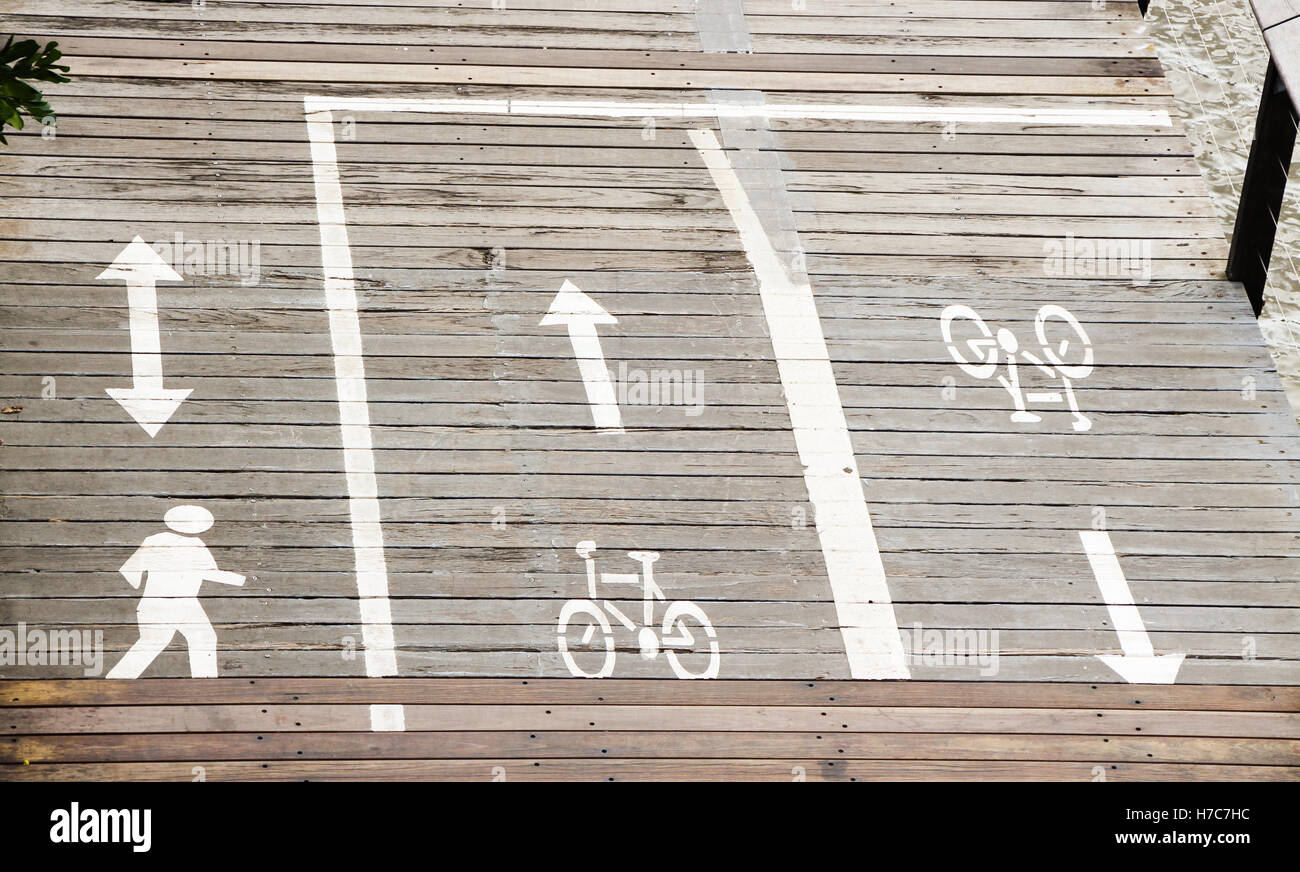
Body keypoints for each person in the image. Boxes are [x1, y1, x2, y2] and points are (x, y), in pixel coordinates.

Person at [106, 505, 244, 679]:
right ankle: (205, 685)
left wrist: (140, 586)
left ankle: (117, 679)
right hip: (184, 604)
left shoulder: (153, 540)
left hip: (155, 602)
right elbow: (209, 573)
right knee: (201, 639)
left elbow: (129, 570)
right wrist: (240, 580)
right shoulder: (196, 544)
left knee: (154, 642)